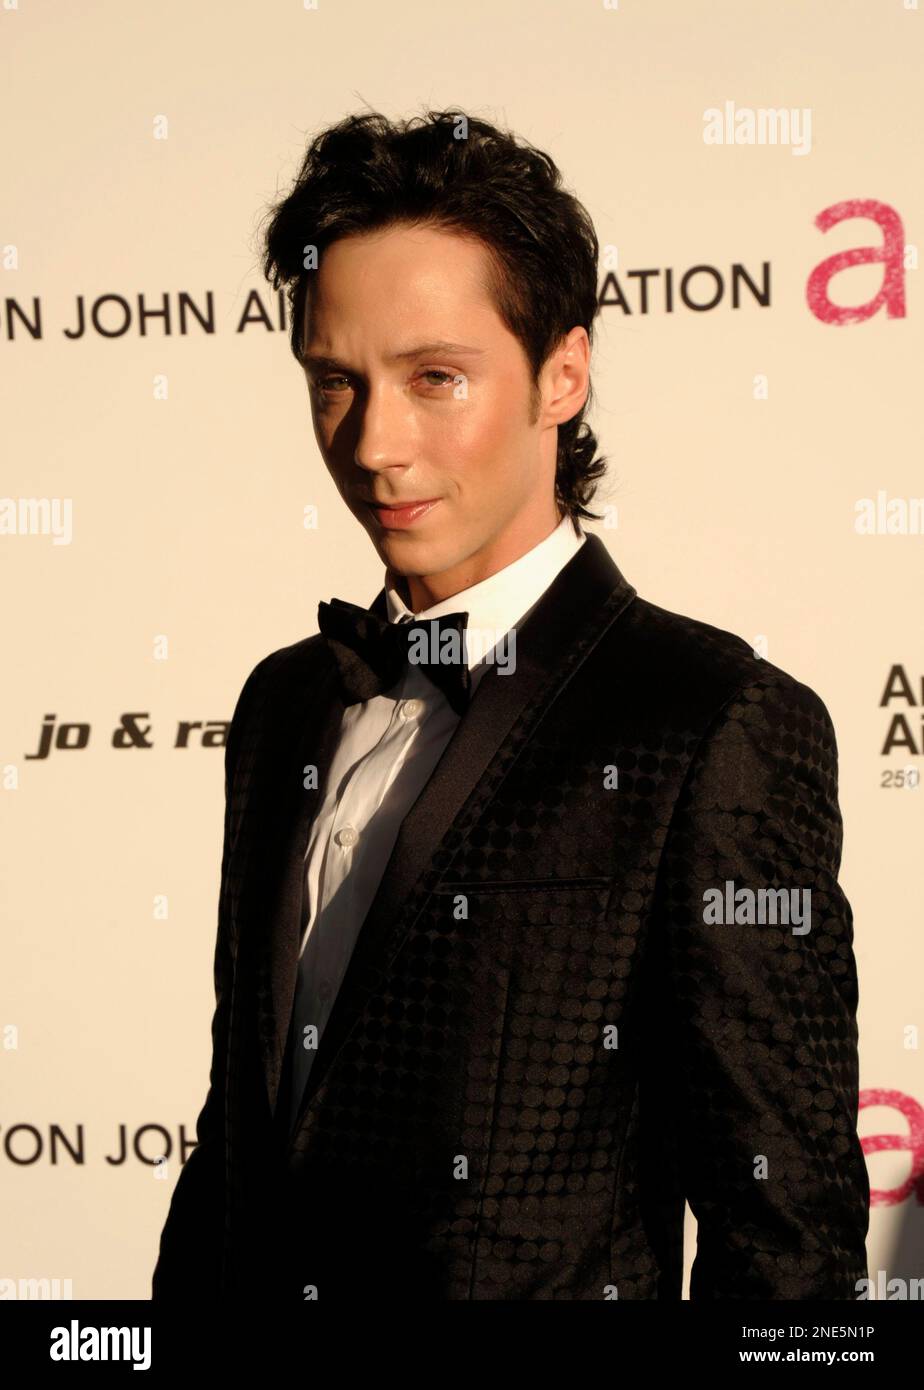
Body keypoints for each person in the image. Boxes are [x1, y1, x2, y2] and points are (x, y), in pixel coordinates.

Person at [152, 108, 869, 1300]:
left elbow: (786, 1238)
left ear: (563, 376)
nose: (376, 443)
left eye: (436, 378)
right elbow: (245, 1128)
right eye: (337, 381)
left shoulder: (710, 722)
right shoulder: (285, 702)